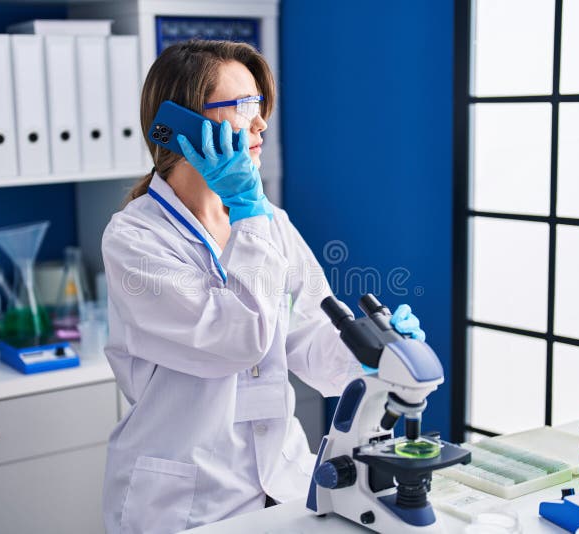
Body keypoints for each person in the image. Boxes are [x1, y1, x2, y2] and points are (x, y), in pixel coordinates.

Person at [101, 39, 425, 533]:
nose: (261, 124)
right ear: (184, 122)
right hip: (188, 504)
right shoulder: (134, 240)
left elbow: (313, 338)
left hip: (284, 487)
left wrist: (371, 353)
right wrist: (250, 215)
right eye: (244, 106)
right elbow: (237, 343)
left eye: (261, 106)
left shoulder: (269, 221)